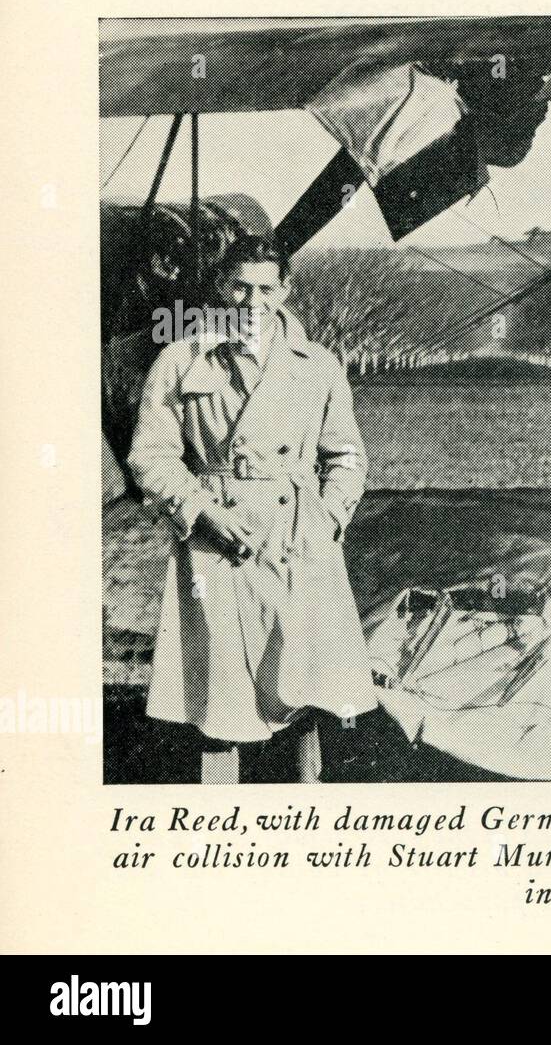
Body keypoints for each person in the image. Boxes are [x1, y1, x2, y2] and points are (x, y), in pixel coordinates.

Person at [127, 235, 376, 783]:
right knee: (222, 700)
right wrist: (200, 507)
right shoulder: (180, 360)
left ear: (285, 290)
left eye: (266, 288)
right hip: (217, 546)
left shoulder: (318, 365)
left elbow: (347, 456)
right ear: (221, 287)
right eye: (240, 286)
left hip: (299, 541)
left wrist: (328, 520)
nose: (252, 302)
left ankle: (308, 811)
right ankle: (223, 820)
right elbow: (150, 456)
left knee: (306, 693)